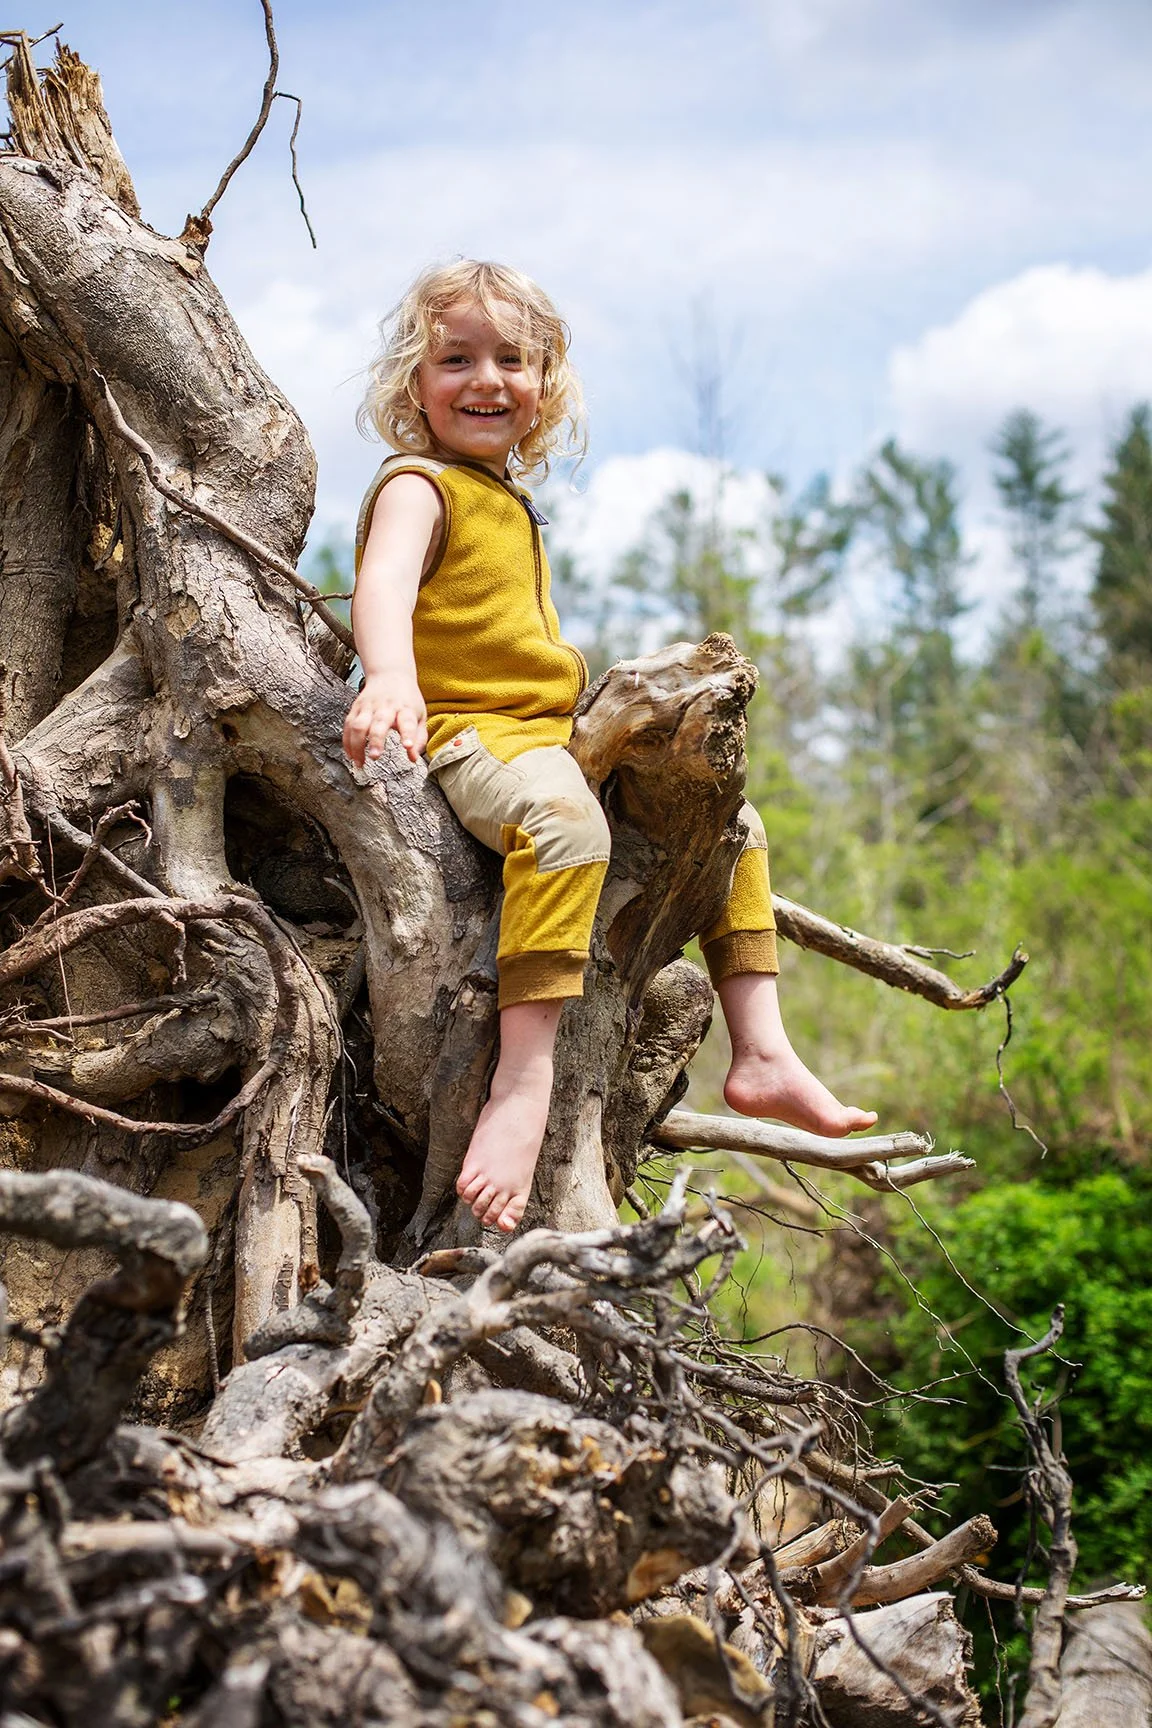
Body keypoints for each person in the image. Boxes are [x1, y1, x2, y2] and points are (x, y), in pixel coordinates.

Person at [343, 260, 876, 1234]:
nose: (485, 379)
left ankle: (761, 1048)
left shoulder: (504, 499)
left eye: (513, 358)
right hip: (474, 734)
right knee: (566, 829)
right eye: (455, 358)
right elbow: (380, 586)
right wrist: (389, 677)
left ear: (545, 387)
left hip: (549, 731)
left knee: (727, 818)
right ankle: (524, 1077)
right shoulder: (419, 487)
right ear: (413, 384)